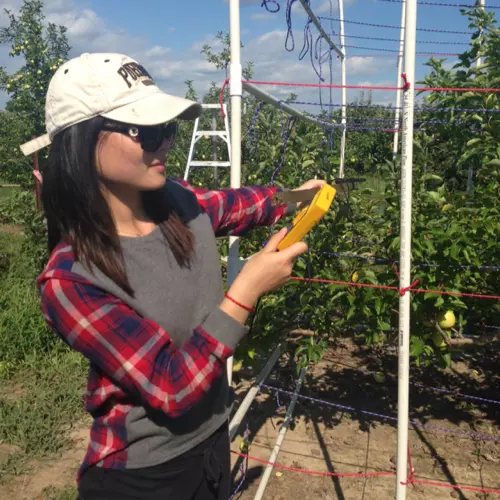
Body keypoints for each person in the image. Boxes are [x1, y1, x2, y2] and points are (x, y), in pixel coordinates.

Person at [21, 52, 324, 500]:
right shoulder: (70, 279)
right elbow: (170, 385)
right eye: (145, 131)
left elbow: (239, 205)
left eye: (168, 129)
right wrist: (247, 290)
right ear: (83, 142)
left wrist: (298, 198)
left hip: (211, 442)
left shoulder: (177, 202)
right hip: (144, 476)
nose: (164, 143)